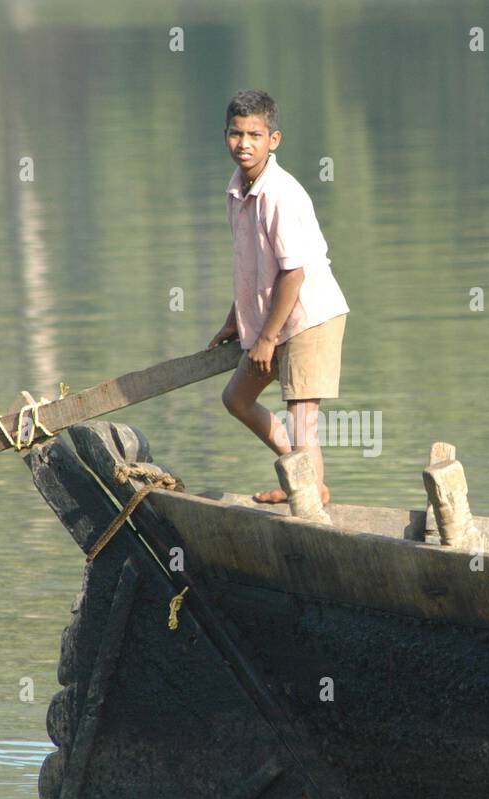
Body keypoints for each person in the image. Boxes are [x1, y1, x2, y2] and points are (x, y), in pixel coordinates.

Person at [207, 89, 349, 505]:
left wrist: (267, 338)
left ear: (275, 140)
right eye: (236, 134)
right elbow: (253, 268)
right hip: (273, 317)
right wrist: (235, 320)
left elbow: (293, 272)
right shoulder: (238, 190)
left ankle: (308, 492)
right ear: (226, 136)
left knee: (303, 417)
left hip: (308, 316)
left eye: (255, 134)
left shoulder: (278, 194)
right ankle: (306, 479)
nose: (244, 144)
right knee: (237, 398)